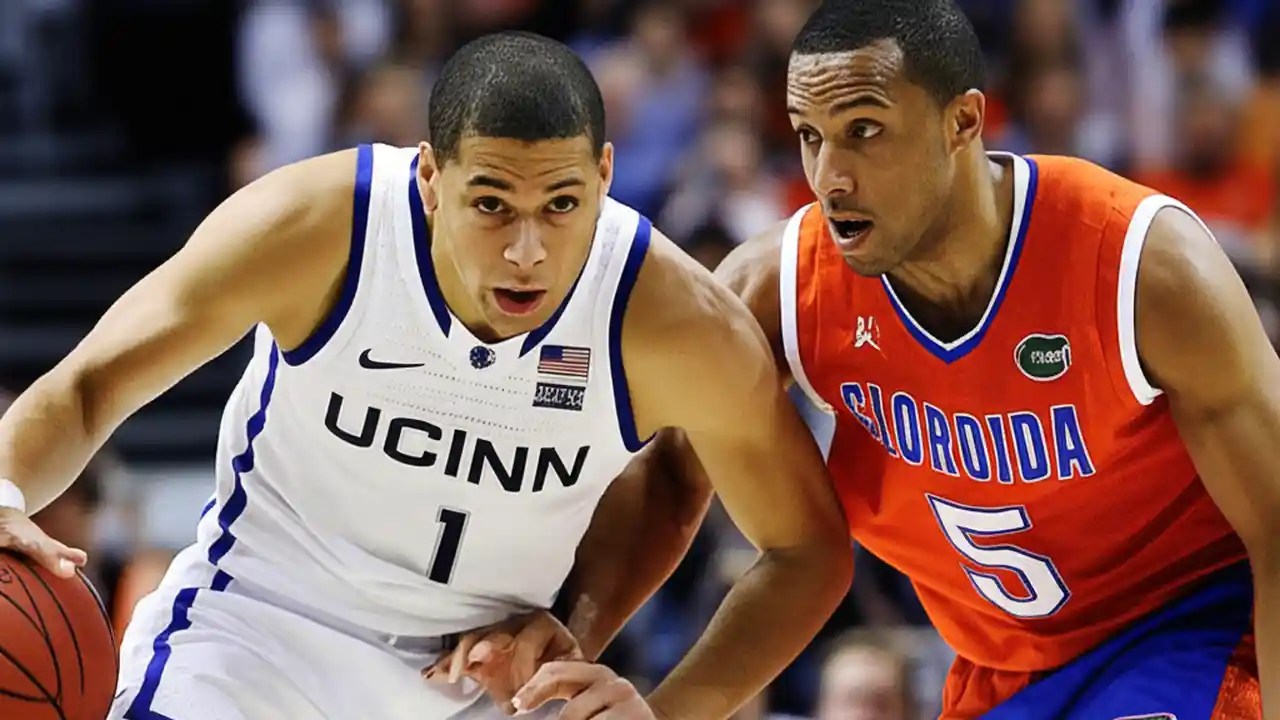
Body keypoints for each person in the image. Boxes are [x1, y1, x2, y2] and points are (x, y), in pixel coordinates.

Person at [457, 1, 1277, 717]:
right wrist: (576, 632)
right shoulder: (783, 286)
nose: (829, 175)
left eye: (864, 131)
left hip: (1195, 631)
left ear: (963, 122)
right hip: (1002, 670)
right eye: (809, 137)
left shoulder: (1137, 265)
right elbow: (672, 477)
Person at [0, 31, 852, 720]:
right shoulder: (315, 227)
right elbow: (89, 385)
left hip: (477, 688)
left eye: (562, 205)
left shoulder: (672, 320)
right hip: (249, 638)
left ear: (604, 177)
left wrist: (642, 686)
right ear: (431, 177)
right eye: (492, 205)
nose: (529, 251)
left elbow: (805, 549)